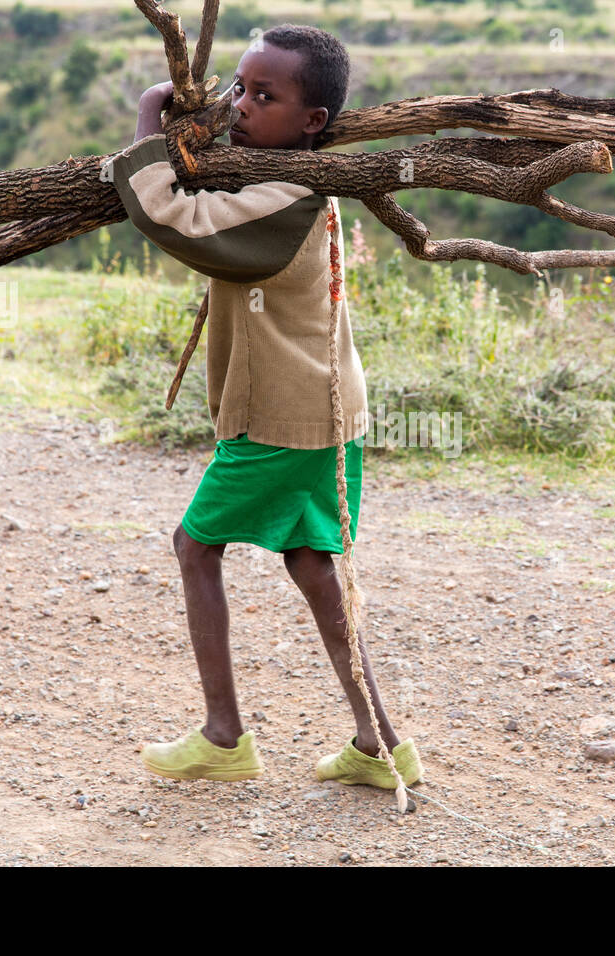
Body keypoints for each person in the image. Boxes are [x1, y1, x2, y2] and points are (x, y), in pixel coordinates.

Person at [105, 24, 422, 792]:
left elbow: (177, 218)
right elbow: (218, 189)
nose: (241, 105)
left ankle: (223, 738)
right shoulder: (296, 181)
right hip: (326, 410)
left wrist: (150, 119)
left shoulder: (286, 201)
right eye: (238, 89)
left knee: (194, 545)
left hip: (284, 418)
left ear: (312, 122)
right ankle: (381, 746)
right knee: (313, 563)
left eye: (263, 96)